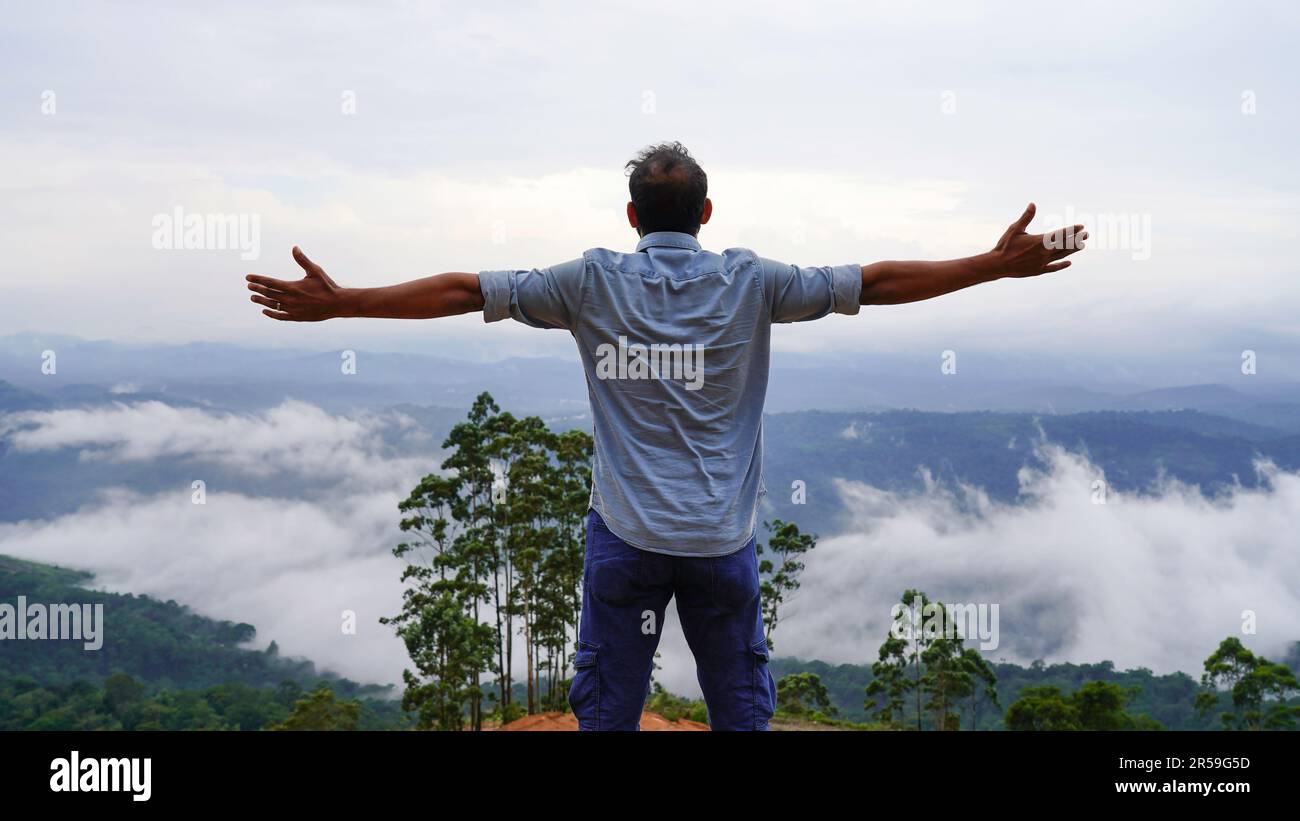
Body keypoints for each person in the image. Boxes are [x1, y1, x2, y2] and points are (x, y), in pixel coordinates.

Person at [245, 141, 1086, 731]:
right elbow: (876, 281)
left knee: (608, 712)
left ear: (631, 214)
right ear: (707, 212)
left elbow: (466, 289)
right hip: (722, 543)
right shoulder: (753, 282)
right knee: (739, 708)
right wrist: (988, 262)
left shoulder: (589, 282)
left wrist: (346, 300)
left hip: (625, 541)